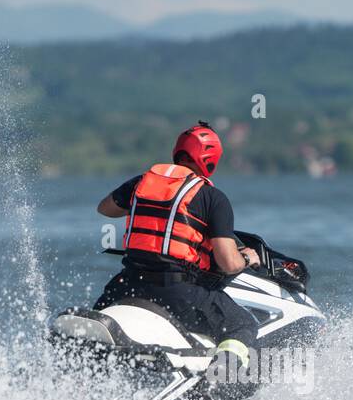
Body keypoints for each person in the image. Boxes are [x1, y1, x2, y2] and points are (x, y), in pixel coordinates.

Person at [94, 121, 259, 386]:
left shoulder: (141, 183)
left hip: (126, 285)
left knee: (95, 327)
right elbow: (228, 263)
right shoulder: (212, 197)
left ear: (177, 151)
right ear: (211, 160)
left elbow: (105, 208)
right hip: (176, 292)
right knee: (243, 326)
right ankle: (218, 385)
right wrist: (249, 258)